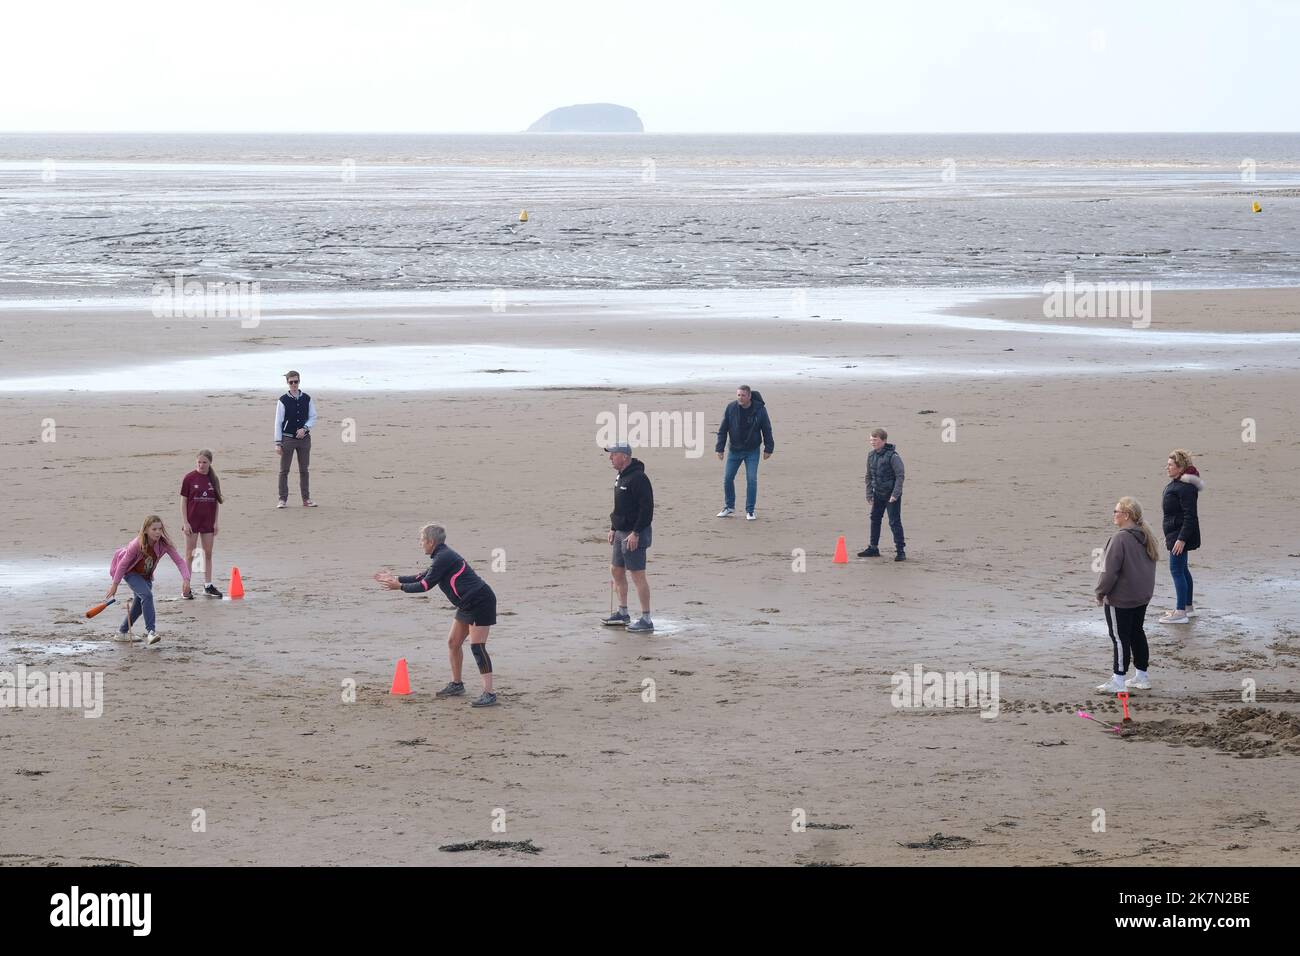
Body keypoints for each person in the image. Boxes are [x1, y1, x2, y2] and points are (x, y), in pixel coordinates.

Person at [374, 524, 499, 707]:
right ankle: (457, 685)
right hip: (466, 604)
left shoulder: (444, 557)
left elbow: (425, 586)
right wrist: (397, 578)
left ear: (431, 541)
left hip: (480, 601)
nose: (420, 544)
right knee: (453, 643)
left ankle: (489, 693)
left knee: (477, 647)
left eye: (422, 540)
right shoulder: (441, 556)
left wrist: (399, 587)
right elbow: (421, 576)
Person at [1094, 496, 1159, 693]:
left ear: (1127, 515)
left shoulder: (1120, 538)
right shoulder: (1146, 535)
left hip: (1122, 599)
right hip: (1142, 596)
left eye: (1116, 512)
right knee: (1137, 633)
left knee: (1120, 638)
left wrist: (1100, 593)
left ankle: (1118, 680)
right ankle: (1142, 676)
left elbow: (1109, 571)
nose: (1114, 515)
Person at [104, 515, 192, 646]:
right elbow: (123, 564)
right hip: (131, 573)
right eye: (154, 529)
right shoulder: (136, 544)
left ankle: (121, 632)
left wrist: (186, 579)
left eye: (160, 529)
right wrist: (115, 584)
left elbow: (179, 561)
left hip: (146, 576)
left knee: (139, 605)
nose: (158, 532)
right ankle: (151, 632)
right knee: (147, 595)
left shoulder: (164, 544)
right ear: (145, 530)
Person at [601, 443, 655, 632]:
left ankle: (646, 619)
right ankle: (623, 613)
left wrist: (636, 532)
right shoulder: (621, 476)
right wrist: (613, 528)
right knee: (616, 570)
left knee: (637, 574)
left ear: (624, 456)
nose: (610, 458)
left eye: (613, 455)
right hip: (620, 532)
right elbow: (620, 506)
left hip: (635, 534)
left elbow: (647, 509)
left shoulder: (639, 478)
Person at [715, 385, 774, 520]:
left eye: (743, 395)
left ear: (749, 396)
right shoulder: (731, 408)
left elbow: (767, 429)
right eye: (738, 395)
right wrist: (720, 448)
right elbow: (723, 429)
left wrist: (768, 448)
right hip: (734, 450)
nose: (740, 398)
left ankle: (750, 510)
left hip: (752, 451)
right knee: (728, 479)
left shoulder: (760, 410)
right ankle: (729, 507)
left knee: (751, 479)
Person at [1159, 449, 1201, 624]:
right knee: (1183, 569)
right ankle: (1188, 607)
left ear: (1180, 467)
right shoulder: (1178, 483)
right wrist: (1169, 535)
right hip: (1175, 534)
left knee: (1176, 570)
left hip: (1180, 535)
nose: (1166, 468)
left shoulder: (1184, 488)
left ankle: (1180, 612)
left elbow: (1190, 516)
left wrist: (1181, 539)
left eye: (1170, 465)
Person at [180, 449, 225, 598]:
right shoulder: (189, 478)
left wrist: (216, 522)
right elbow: (183, 501)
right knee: (190, 554)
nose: (201, 465)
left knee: (208, 554)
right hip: (192, 521)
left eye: (204, 462)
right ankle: (186, 586)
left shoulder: (213, 479)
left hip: (208, 522)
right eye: (199, 462)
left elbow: (217, 502)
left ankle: (208, 585)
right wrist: (185, 522)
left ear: (210, 463)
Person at [858, 428, 906, 561]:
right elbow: (868, 476)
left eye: (875, 440)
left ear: (884, 440)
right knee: (875, 519)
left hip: (891, 495)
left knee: (894, 522)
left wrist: (895, 494)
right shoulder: (871, 455)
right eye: (871, 440)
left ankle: (900, 551)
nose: (873, 442)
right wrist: (869, 494)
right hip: (877, 493)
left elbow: (900, 476)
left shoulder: (893, 456)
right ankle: (873, 548)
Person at [274, 370, 317, 508]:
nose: (293, 384)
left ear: (299, 381)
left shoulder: (307, 398)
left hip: (304, 439)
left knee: (304, 470)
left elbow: (313, 416)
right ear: (287, 383)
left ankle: (306, 499)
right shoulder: (283, 400)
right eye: (291, 382)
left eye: (296, 381)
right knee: (284, 470)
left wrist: (305, 428)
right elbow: (278, 422)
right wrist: (278, 443)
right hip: (288, 439)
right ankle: (282, 499)